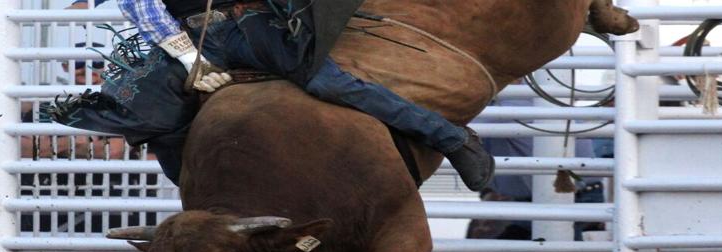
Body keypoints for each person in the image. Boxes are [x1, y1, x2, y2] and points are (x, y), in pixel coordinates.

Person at [48, 0, 493, 190]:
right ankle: (205, 199)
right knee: (146, 114)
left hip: (254, 21)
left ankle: (452, 139)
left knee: (328, 82)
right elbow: (141, 4)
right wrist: (190, 60)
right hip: (193, 34)